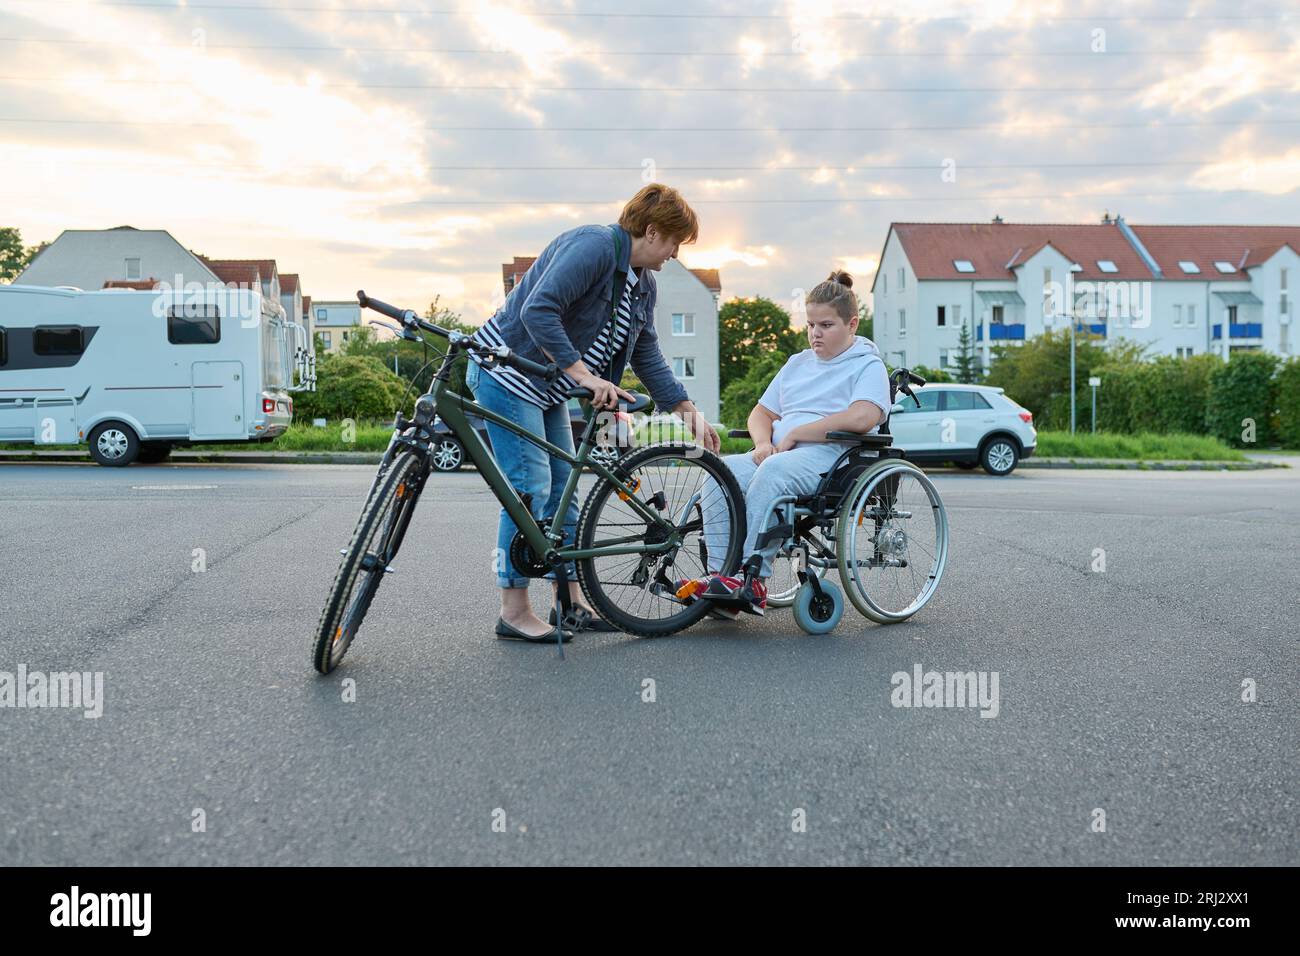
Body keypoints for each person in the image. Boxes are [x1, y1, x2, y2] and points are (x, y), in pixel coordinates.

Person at [466, 184, 721, 642]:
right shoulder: (595, 246)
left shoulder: (643, 285)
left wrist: (685, 409)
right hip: (507, 372)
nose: (675, 254)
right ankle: (514, 610)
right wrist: (584, 376)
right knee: (529, 487)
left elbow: (646, 353)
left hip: (548, 388)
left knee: (565, 491)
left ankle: (570, 604)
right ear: (651, 230)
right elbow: (537, 310)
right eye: (674, 242)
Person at [687, 271, 891, 616]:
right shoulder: (797, 363)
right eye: (811, 324)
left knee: (774, 471)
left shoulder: (867, 365)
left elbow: (863, 417)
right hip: (778, 453)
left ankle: (752, 579)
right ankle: (721, 577)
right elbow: (760, 413)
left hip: (829, 458)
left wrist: (798, 434)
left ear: (852, 323)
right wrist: (763, 442)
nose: (815, 333)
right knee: (718, 471)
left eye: (826, 325)